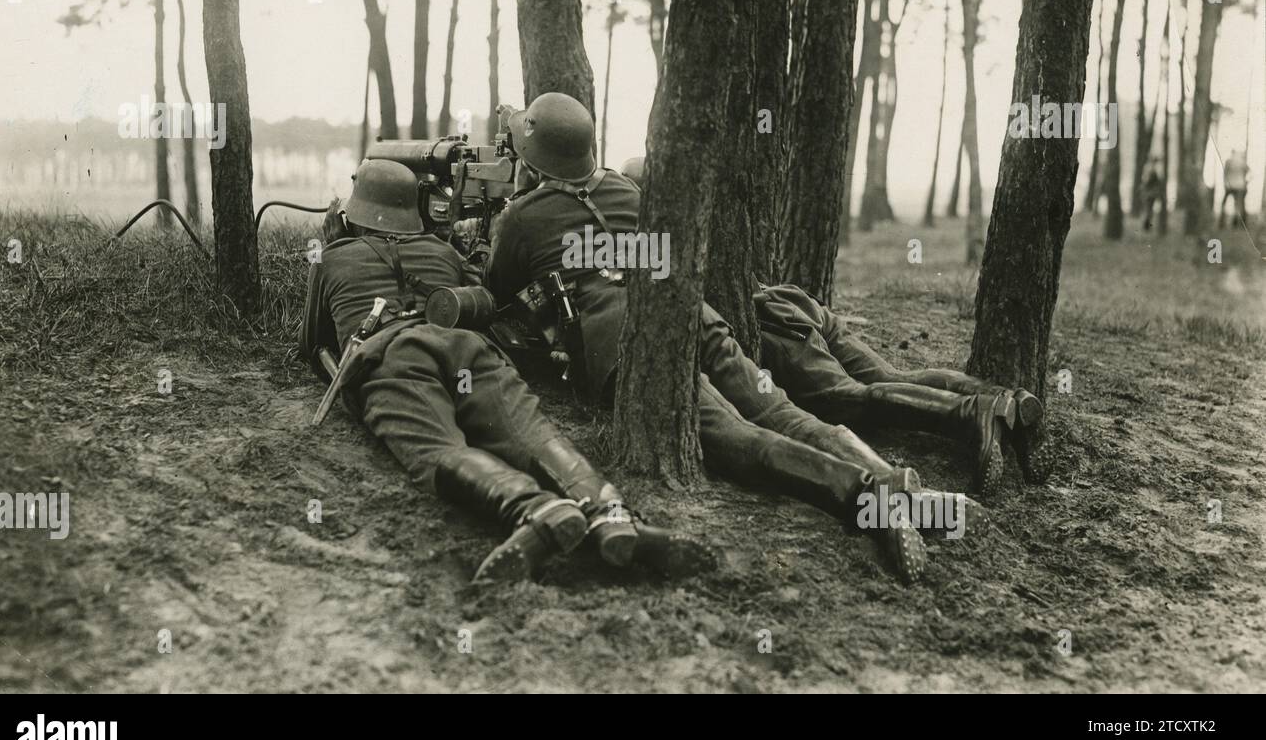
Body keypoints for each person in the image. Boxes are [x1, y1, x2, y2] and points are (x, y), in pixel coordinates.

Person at [486, 93, 991, 585]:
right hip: (693, 318)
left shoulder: (523, 217)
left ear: (533, 158)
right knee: (782, 412)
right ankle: (899, 486)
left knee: (739, 440)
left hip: (629, 345)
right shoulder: (626, 189)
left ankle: (871, 499)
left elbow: (496, 291)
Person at [300, 157, 713, 583]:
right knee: (532, 433)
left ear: (357, 212)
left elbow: (311, 345)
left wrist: (333, 250)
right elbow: (487, 297)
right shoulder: (441, 251)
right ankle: (610, 512)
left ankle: (534, 509)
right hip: (465, 343)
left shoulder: (331, 259)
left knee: (440, 449)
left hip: (392, 356)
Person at [619, 156, 1041, 490]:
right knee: (893, 375)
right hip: (794, 304)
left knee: (851, 397)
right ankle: (1003, 399)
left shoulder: (662, 234)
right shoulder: (701, 212)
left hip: (776, 327)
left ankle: (973, 414)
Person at [1220, 149, 1250, 229]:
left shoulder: (1229, 162)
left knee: (1227, 204)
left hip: (1231, 186)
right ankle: (1237, 224)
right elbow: (1250, 172)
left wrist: (1225, 183)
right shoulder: (1241, 162)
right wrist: (1246, 182)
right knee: (1239, 205)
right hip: (1239, 186)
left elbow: (1225, 173)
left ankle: (1223, 223)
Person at [1140, 155, 1164, 232]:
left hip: (1148, 193)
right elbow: (1148, 182)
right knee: (1148, 210)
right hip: (1150, 193)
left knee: (1148, 210)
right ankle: (1146, 227)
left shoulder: (1147, 169)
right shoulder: (1152, 170)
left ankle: (1147, 226)